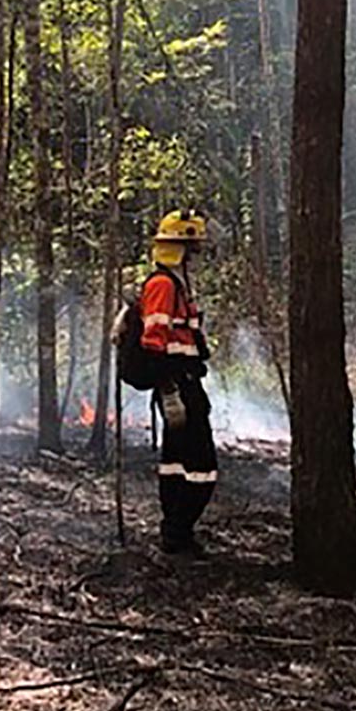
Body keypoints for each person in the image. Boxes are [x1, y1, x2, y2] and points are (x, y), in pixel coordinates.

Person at [137, 209, 216, 556]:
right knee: (199, 464)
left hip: (185, 382)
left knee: (182, 462)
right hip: (177, 386)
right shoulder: (162, 286)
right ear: (178, 250)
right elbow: (154, 343)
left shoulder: (176, 287)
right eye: (192, 250)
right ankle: (177, 531)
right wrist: (168, 390)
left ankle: (177, 532)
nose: (195, 259)